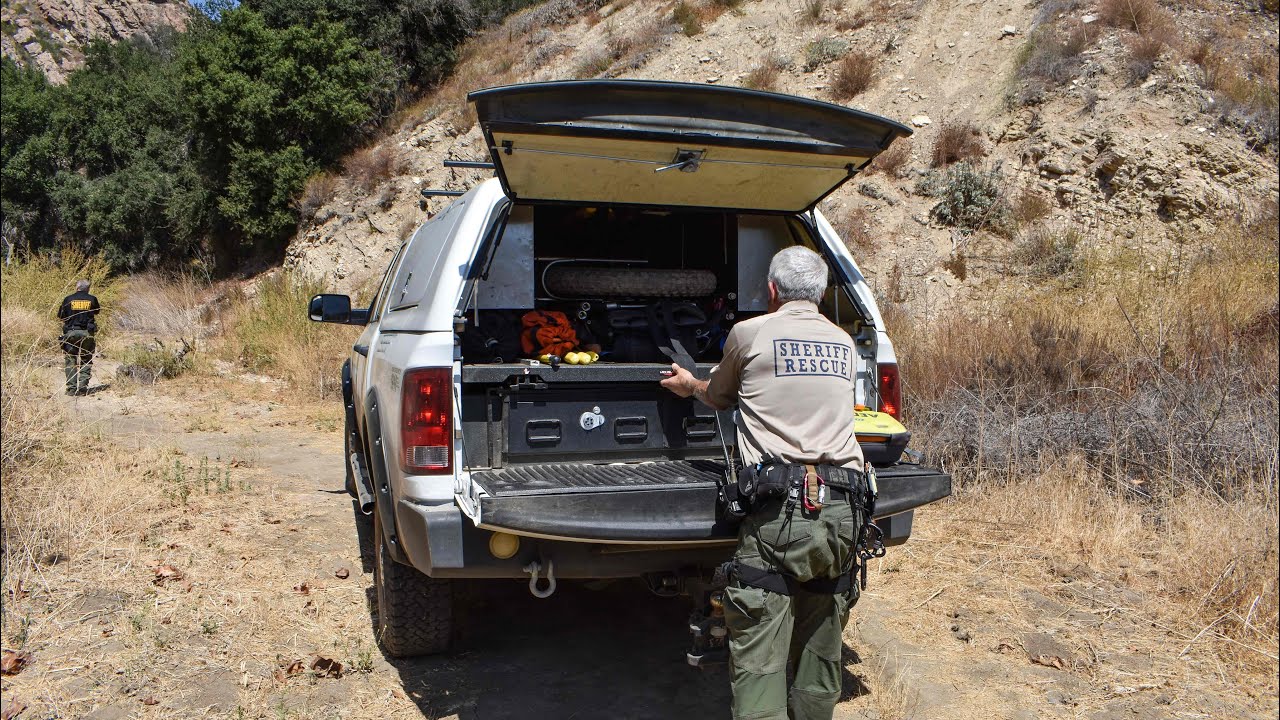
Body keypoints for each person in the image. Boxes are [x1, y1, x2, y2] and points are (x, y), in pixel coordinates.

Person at [660, 246, 867, 720]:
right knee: (821, 646)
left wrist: (689, 384)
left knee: (759, 654)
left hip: (780, 511)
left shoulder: (750, 332)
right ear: (821, 292)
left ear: (771, 291)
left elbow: (718, 396)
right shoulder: (844, 341)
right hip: (843, 510)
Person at [57, 279, 100, 396]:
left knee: (71, 360)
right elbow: (97, 312)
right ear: (88, 288)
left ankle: (71, 389)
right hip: (87, 333)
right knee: (86, 360)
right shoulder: (92, 299)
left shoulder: (68, 299)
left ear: (77, 287)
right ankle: (82, 388)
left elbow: (61, 316)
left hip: (71, 333)